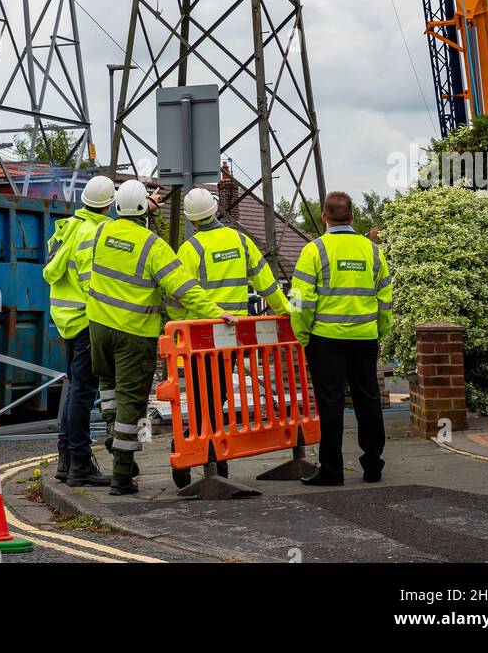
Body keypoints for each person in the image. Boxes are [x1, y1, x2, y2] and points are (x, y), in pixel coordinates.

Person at [86, 179, 234, 496]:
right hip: (133, 334)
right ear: (145, 210)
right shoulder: (154, 246)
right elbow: (184, 289)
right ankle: (122, 477)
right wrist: (215, 311)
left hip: (98, 327)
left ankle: (113, 432)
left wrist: (142, 204)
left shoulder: (101, 233)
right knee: (132, 403)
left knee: (108, 386)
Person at [168, 185, 292, 488]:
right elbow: (267, 283)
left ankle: (190, 453)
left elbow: (176, 297)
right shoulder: (241, 240)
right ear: (214, 210)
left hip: (199, 339)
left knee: (201, 400)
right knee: (218, 398)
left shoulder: (190, 249)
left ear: (192, 220)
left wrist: (178, 329)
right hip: (232, 338)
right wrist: (287, 312)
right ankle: (215, 461)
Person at [289, 190, 392, 485]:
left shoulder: (313, 251)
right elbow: (385, 297)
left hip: (325, 341)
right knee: (368, 400)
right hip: (364, 338)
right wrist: (379, 330)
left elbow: (299, 301)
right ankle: (373, 465)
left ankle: (332, 470)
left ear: (324, 217)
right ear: (353, 216)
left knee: (331, 403)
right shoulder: (372, 251)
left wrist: (303, 335)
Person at [43, 174, 115, 487]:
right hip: (87, 321)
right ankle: (81, 462)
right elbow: (92, 285)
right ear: (110, 204)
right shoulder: (95, 233)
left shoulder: (69, 227)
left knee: (75, 391)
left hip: (66, 321)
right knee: (84, 394)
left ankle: (66, 460)